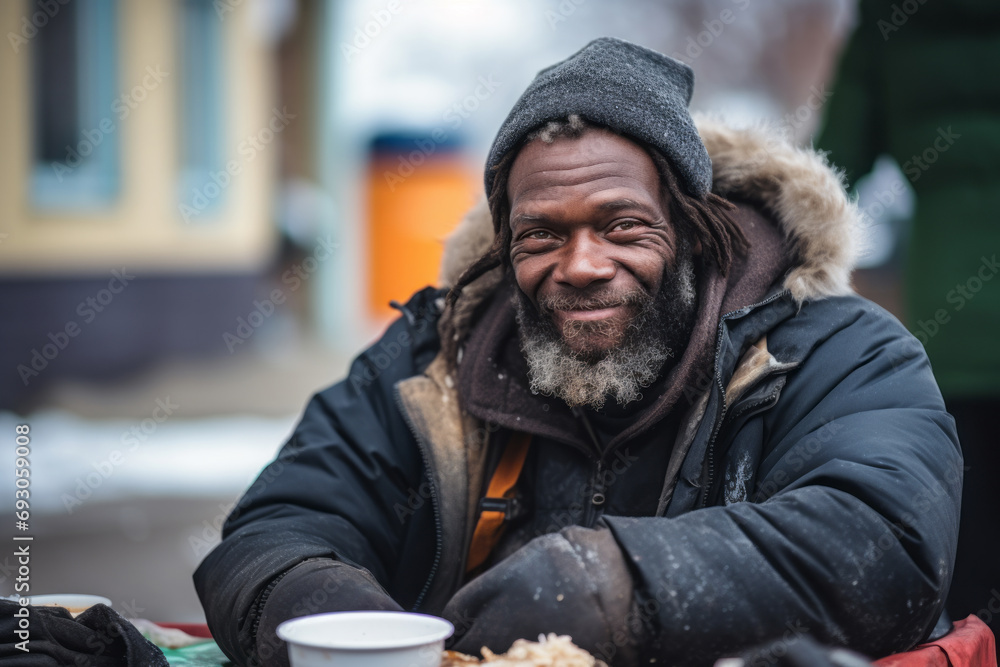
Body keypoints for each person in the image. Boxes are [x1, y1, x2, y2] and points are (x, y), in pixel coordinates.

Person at [194, 37, 962, 667]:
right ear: (506, 248)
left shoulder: (839, 351)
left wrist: (612, 588)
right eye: (542, 235)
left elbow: (884, 542)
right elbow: (281, 519)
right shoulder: (434, 354)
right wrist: (320, 610)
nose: (581, 264)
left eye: (623, 226)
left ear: (696, 230)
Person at [814, 1, 1000, 655]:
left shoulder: (893, 30)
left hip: (954, 340)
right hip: (958, 346)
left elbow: (823, 176)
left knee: (973, 569)